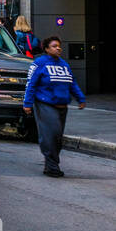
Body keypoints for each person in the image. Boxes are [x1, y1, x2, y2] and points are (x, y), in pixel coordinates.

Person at [23, 36, 86, 177]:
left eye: (59, 46)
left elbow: (72, 83)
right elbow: (31, 84)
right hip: (45, 104)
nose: (58, 48)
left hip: (63, 106)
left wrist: (80, 98)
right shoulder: (39, 63)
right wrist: (27, 103)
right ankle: (52, 166)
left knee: (57, 137)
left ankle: (50, 164)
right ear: (46, 49)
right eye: (54, 46)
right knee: (51, 134)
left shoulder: (64, 64)